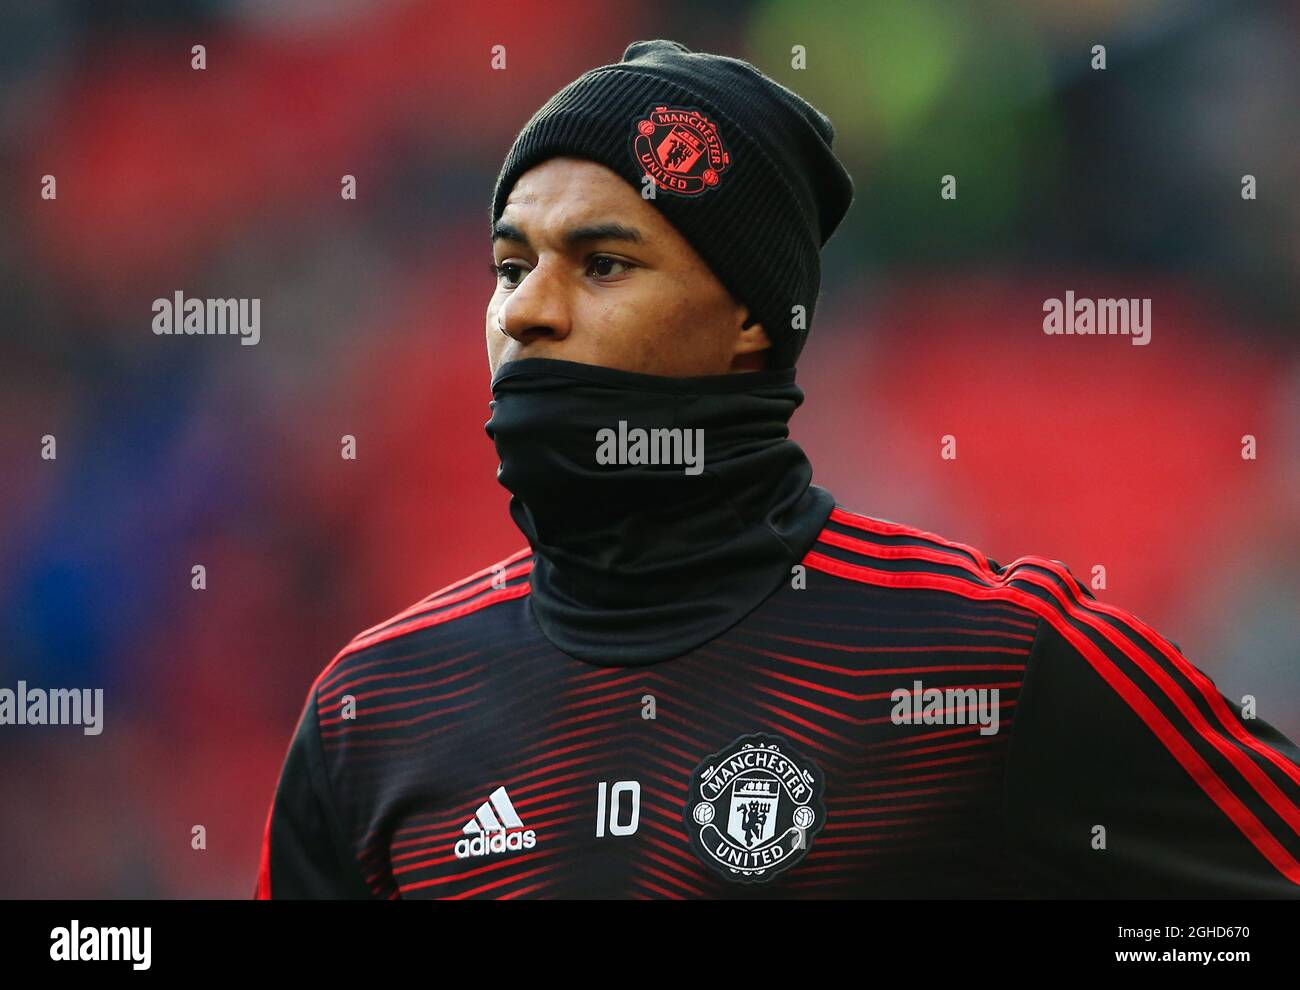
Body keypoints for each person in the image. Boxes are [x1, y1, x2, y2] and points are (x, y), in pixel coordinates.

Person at [255, 39, 1300, 899]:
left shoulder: (990, 662)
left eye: (604, 263)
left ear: (751, 320)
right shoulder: (372, 715)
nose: (526, 309)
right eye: (510, 266)